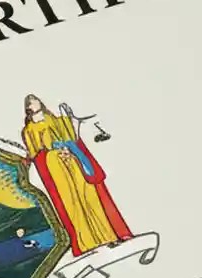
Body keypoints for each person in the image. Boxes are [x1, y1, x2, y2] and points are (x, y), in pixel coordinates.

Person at [21, 95, 132, 255]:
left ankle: (108, 236)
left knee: (89, 196)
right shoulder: (29, 130)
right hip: (55, 166)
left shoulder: (56, 120)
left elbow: (71, 136)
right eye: (30, 102)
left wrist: (67, 147)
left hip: (72, 160)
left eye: (35, 100)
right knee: (71, 203)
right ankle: (86, 242)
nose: (34, 103)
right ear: (28, 107)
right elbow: (34, 152)